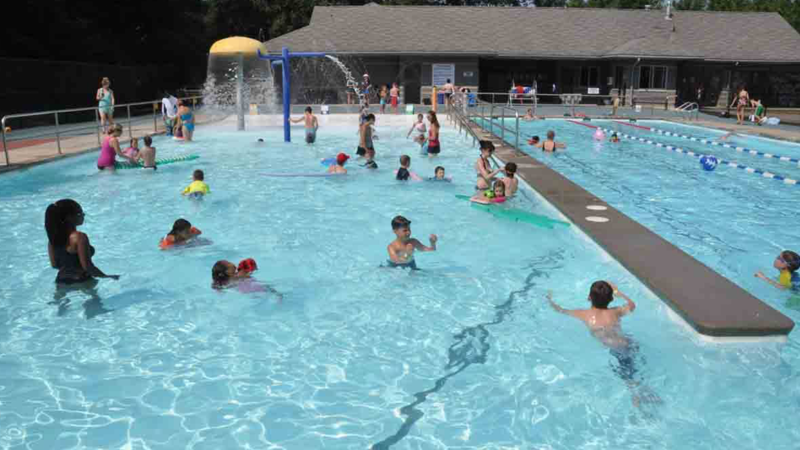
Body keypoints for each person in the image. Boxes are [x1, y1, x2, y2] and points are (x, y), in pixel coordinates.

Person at [546, 282, 658, 406]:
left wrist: (549, 299)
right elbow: (632, 305)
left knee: (629, 379)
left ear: (589, 297)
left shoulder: (583, 314)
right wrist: (619, 292)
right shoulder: (615, 312)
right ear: (611, 299)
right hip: (629, 343)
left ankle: (637, 399)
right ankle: (647, 392)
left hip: (616, 350)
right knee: (636, 370)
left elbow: (560, 310)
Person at [45, 199, 120, 285]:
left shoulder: (52, 240)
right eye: (80, 213)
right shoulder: (79, 237)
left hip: (60, 281)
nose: (83, 215)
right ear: (69, 218)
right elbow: (87, 267)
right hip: (82, 279)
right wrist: (107, 276)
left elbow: (54, 265)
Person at [212, 259, 283, 298]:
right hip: (248, 291)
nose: (232, 264)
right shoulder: (237, 278)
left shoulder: (219, 284)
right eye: (228, 263)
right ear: (226, 272)